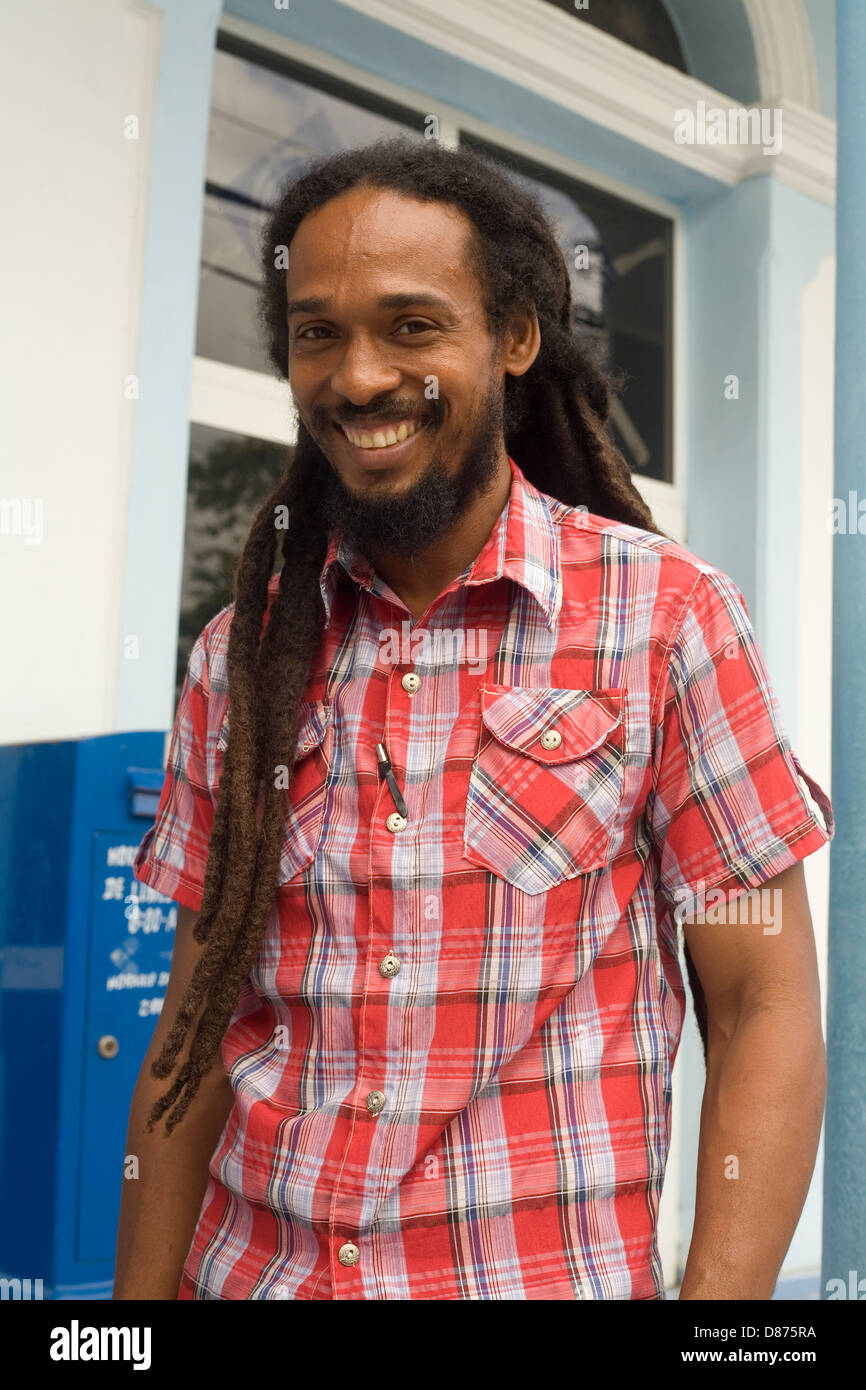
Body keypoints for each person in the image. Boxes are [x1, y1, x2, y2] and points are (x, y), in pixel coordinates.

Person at [114, 136, 833, 1301]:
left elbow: (762, 1005)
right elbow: (190, 1040)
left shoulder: (665, 619)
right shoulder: (237, 660)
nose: (355, 378)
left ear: (511, 338)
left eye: (409, 325)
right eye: (317, 332)